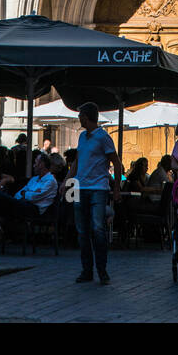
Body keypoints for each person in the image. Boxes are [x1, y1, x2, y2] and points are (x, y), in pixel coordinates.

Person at [70, 102, 121, 285]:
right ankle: (87, 270)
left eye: (80, 115)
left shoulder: (103, 137)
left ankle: (102, 270)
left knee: (98, 229)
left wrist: (116, 188)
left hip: (98, 188)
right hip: (80, 187)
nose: (78, 118)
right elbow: (76, 162)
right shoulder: (82, 137)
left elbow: (116, 163)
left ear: (86, 117)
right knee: (82, 231)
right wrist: (67, 182)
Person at [0, 151, 58, 234]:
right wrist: (28, 193)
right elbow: (18, 194)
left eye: (35, 163)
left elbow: (34, 197)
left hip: (35, 211)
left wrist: (25, 193)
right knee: (0, 204)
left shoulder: (50, 181)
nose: (33, 165)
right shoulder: (34, 179)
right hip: (24, 204)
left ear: (41, 165)